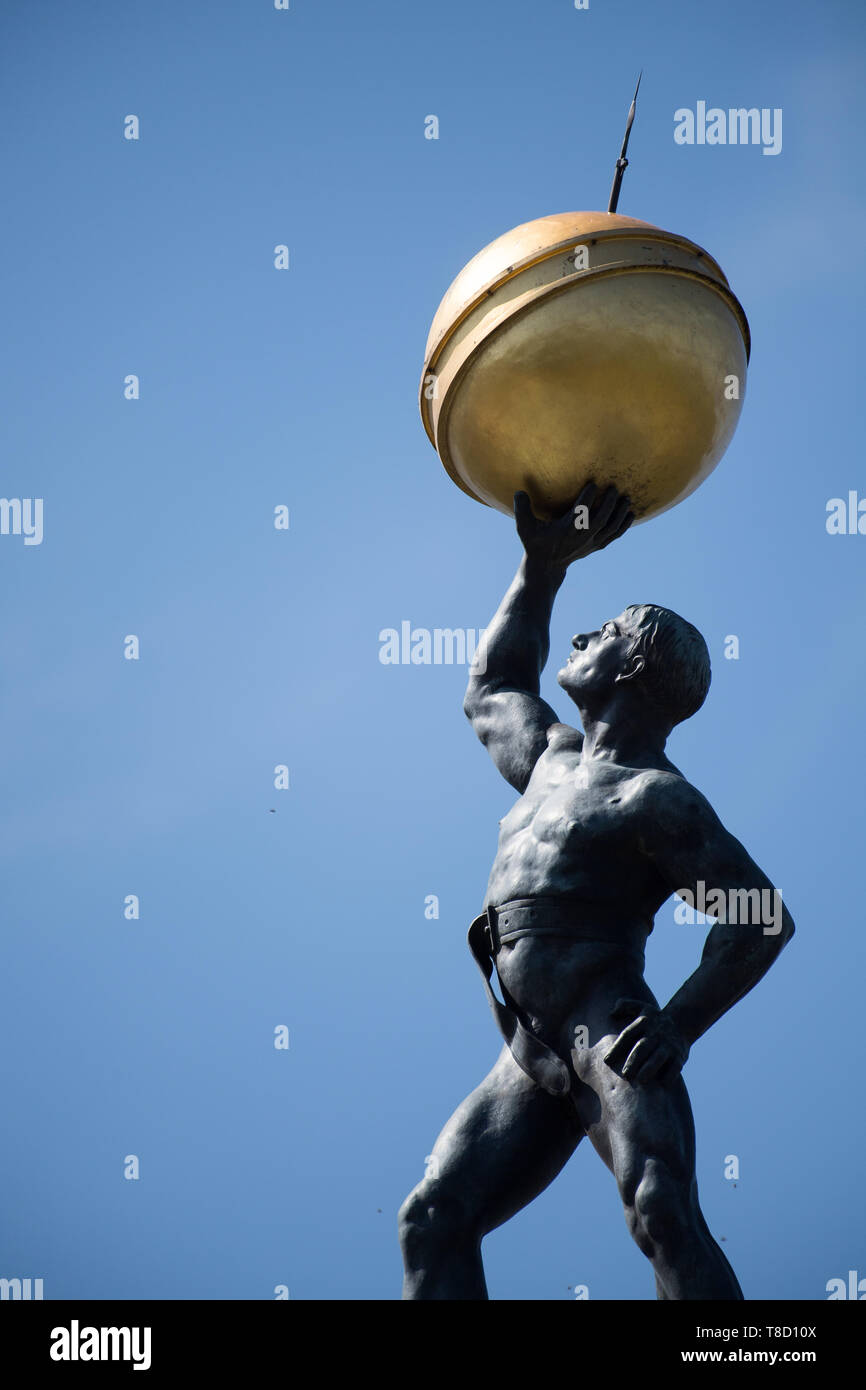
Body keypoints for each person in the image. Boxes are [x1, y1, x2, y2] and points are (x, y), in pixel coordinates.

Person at [399, 482, 795, 1300]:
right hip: (529, 1048)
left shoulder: (655, 797)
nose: (582, 635)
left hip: (607, 1031)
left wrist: (677, 1023)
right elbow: (491, 688)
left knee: (663, 1217)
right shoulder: (549, 758)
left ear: (637, 665)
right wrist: (541, 567)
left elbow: (761, 918)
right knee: (431, 1217)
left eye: (606, 630)